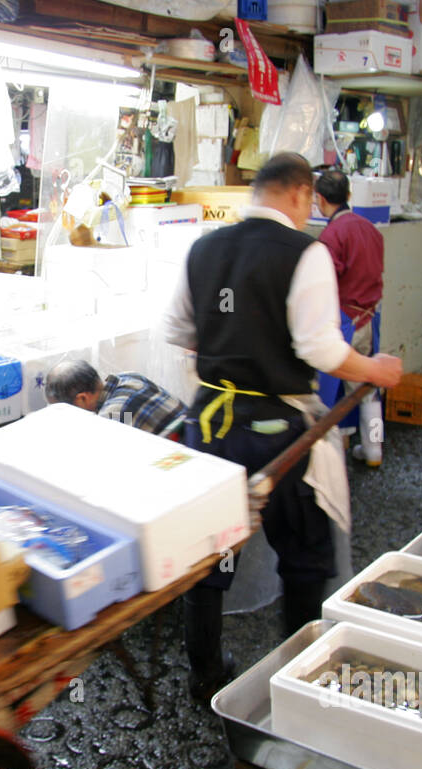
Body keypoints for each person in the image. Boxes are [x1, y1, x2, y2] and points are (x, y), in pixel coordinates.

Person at [158, 152, 403, 701]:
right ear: (300, 194)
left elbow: (177, 328)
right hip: (277, 431)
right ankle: (299, 677)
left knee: (213, 551)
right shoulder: (304, 251)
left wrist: (230, 344)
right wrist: (376, 370)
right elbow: (319, 348)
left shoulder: (204, 246)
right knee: (305, 553)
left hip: (212, 425)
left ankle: (205, 672)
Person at [312, 169, 387, 466]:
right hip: (370, 318)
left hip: (343, 320)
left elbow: (326, 281)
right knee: (368, 388)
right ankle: (374, 450)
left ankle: (325, 460)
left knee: (327, 393)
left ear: (319, 199)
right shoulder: (370, 229)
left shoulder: (332, 235)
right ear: (349, 196)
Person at [44, 359, 186, 437]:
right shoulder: (129, 376)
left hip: (184, 453)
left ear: (82, 399)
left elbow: (115, 456)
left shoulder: (113, 415)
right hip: (193, 432)